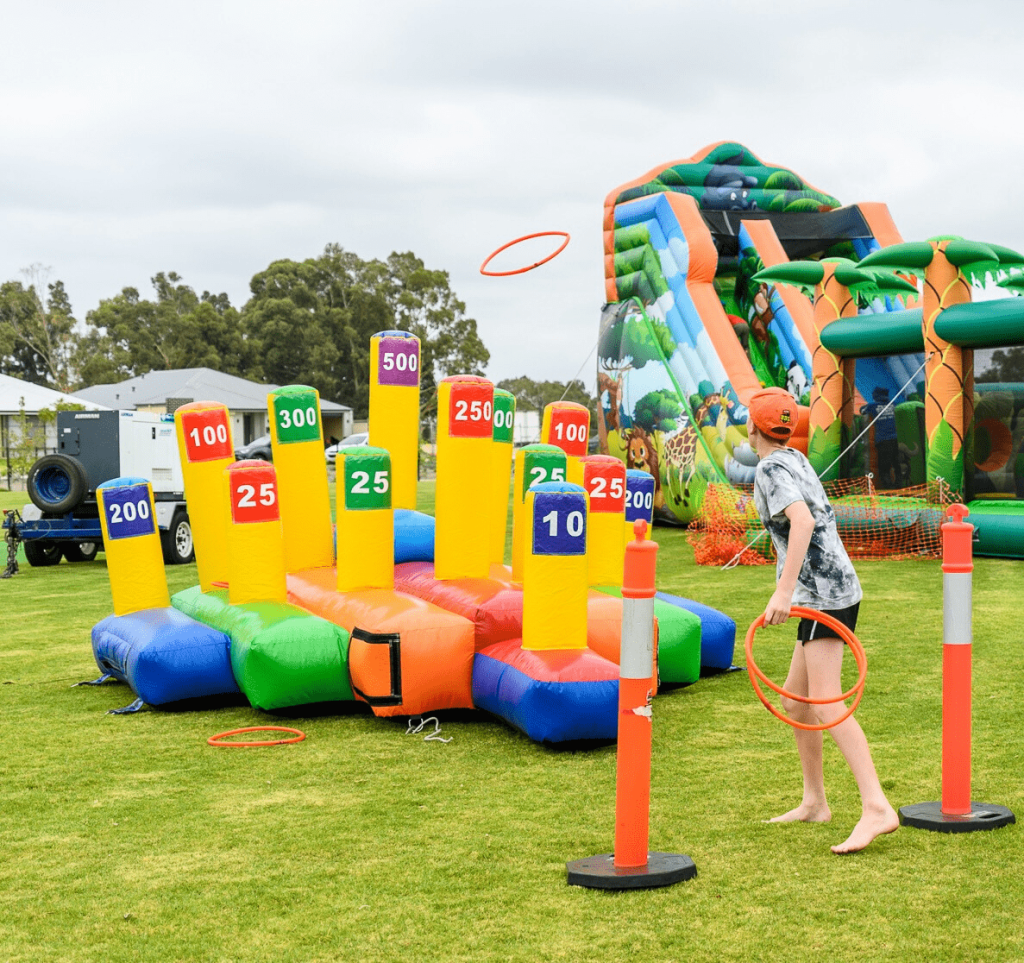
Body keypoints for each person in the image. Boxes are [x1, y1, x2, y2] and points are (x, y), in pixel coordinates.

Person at [747, 387, 899, 854]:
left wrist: (784, 590)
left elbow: (803, 522)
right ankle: (815, 801)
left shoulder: (772, 467)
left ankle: (877, 806)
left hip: (822, 596)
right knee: (798, 704)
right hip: (830, 590)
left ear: (752, 428)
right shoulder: (794, 456)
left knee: (827, 703)